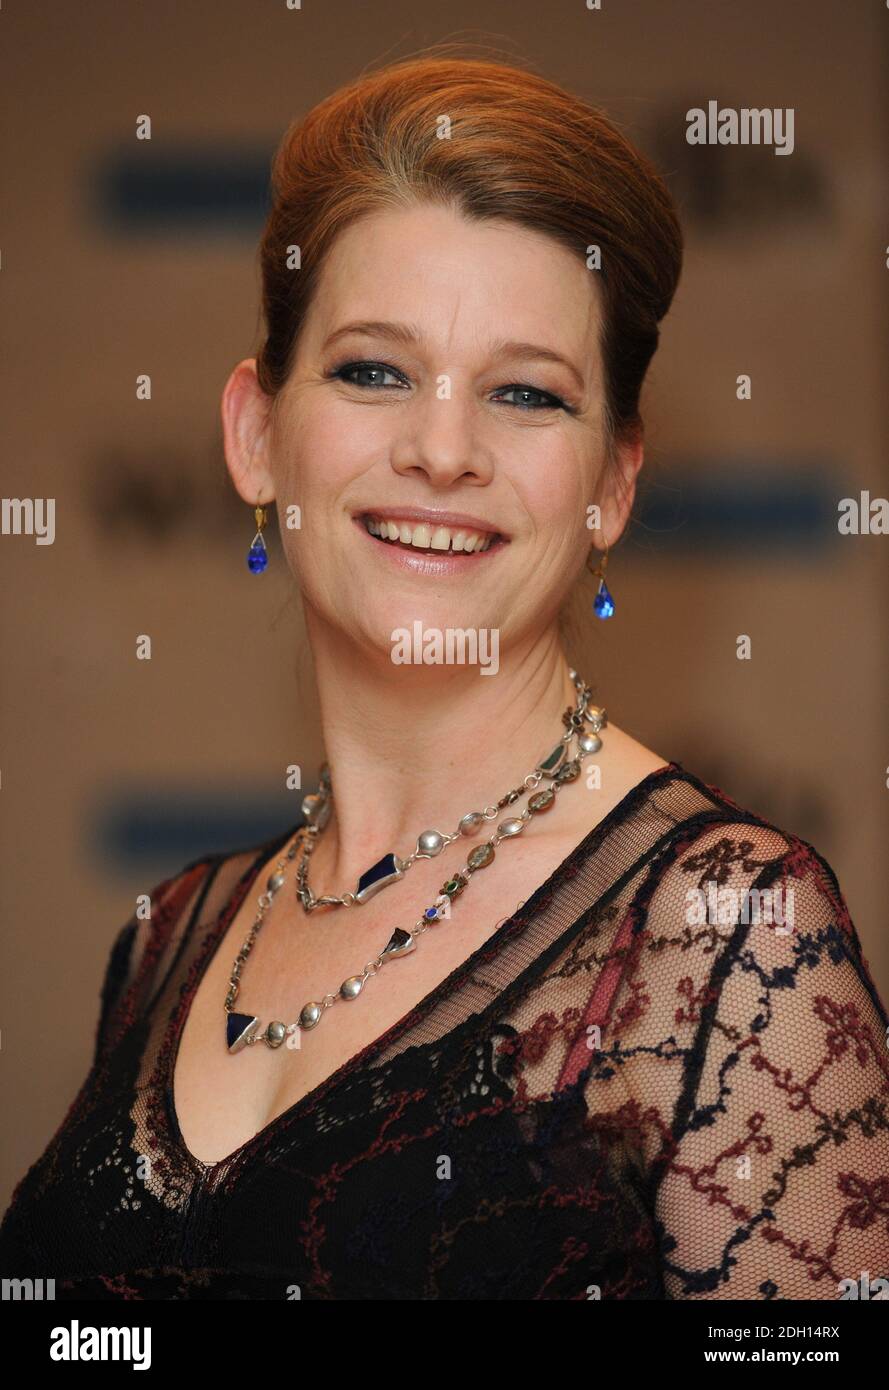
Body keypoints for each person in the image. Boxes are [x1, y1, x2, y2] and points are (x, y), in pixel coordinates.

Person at [1, 53, 887, 1301]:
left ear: (612, 487)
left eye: (526, 393)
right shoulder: (171, 937)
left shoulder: (733, 940)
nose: (442, 449)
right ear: (257, 433)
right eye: (374, 369)